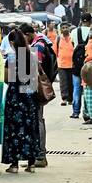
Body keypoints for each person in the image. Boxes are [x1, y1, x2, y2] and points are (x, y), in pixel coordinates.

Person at [2, 27, 40, 173]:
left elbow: (7, 79)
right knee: (30, 127)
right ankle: (31, 164)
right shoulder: (32, 55)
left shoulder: (11, 58)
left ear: (12, 42)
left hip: (15, 96)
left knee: (14, 129)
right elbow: (35, 77)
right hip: (29, 95)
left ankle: (14, 164)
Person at [28, 23, 56, 168]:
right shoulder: (44, 41)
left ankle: (40, 154)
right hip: (40, 86)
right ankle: (39, 154)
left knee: (37, 120)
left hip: (36, 87)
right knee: (39, 119)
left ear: (27, 34)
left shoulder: (37, 46)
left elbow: (36, 69)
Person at [57, 23, 75, 105]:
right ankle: (64, 98)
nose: (65, 29)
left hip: (72, 64)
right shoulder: (58, 39)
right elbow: (55, 51)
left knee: (71, 82)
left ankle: (71, 99)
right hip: (61, 64)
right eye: (63, 28)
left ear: (69, 28)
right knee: (63, 82)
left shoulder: (73, 38)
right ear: (60, 30)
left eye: (66, 27)